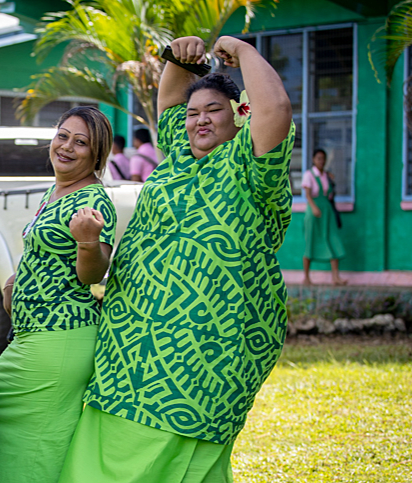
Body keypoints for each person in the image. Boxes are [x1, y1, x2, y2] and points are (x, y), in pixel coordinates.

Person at [59, 35, 295, 483]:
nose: (199, 120)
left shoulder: (252, 162)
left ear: (240, 115)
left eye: (213, 110)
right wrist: (180, 57)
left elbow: (277, 109)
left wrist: (243, 52)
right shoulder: (179, 158)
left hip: (210, 341)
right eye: (194, 113)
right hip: (132, 341)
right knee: (108, 438)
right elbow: (170, 100)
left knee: (184, 439)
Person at [0, 106, 117, 483]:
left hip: (59, 340)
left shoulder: (94, 201)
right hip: (33, 336)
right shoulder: (57, 189)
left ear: (97, 154)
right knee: (15, 440)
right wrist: (15, 283)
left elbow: (91, 274)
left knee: (37, 446)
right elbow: (46, 256)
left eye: (81, 142)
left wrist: (88, 241)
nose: (67, 147)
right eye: (63, 136)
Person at [302, 148, 346, 285]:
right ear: (313, 160)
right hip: (314, 212)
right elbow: (308, 195)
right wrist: (314, 207)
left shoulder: (327, 176)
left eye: (323, 158)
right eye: (319, 158)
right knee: (311, 243)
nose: (321, 161)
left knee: (333, 241)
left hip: (327, 212)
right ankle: (306, 277)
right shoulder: (309, 175)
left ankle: (336, 277)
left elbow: (330, 195)